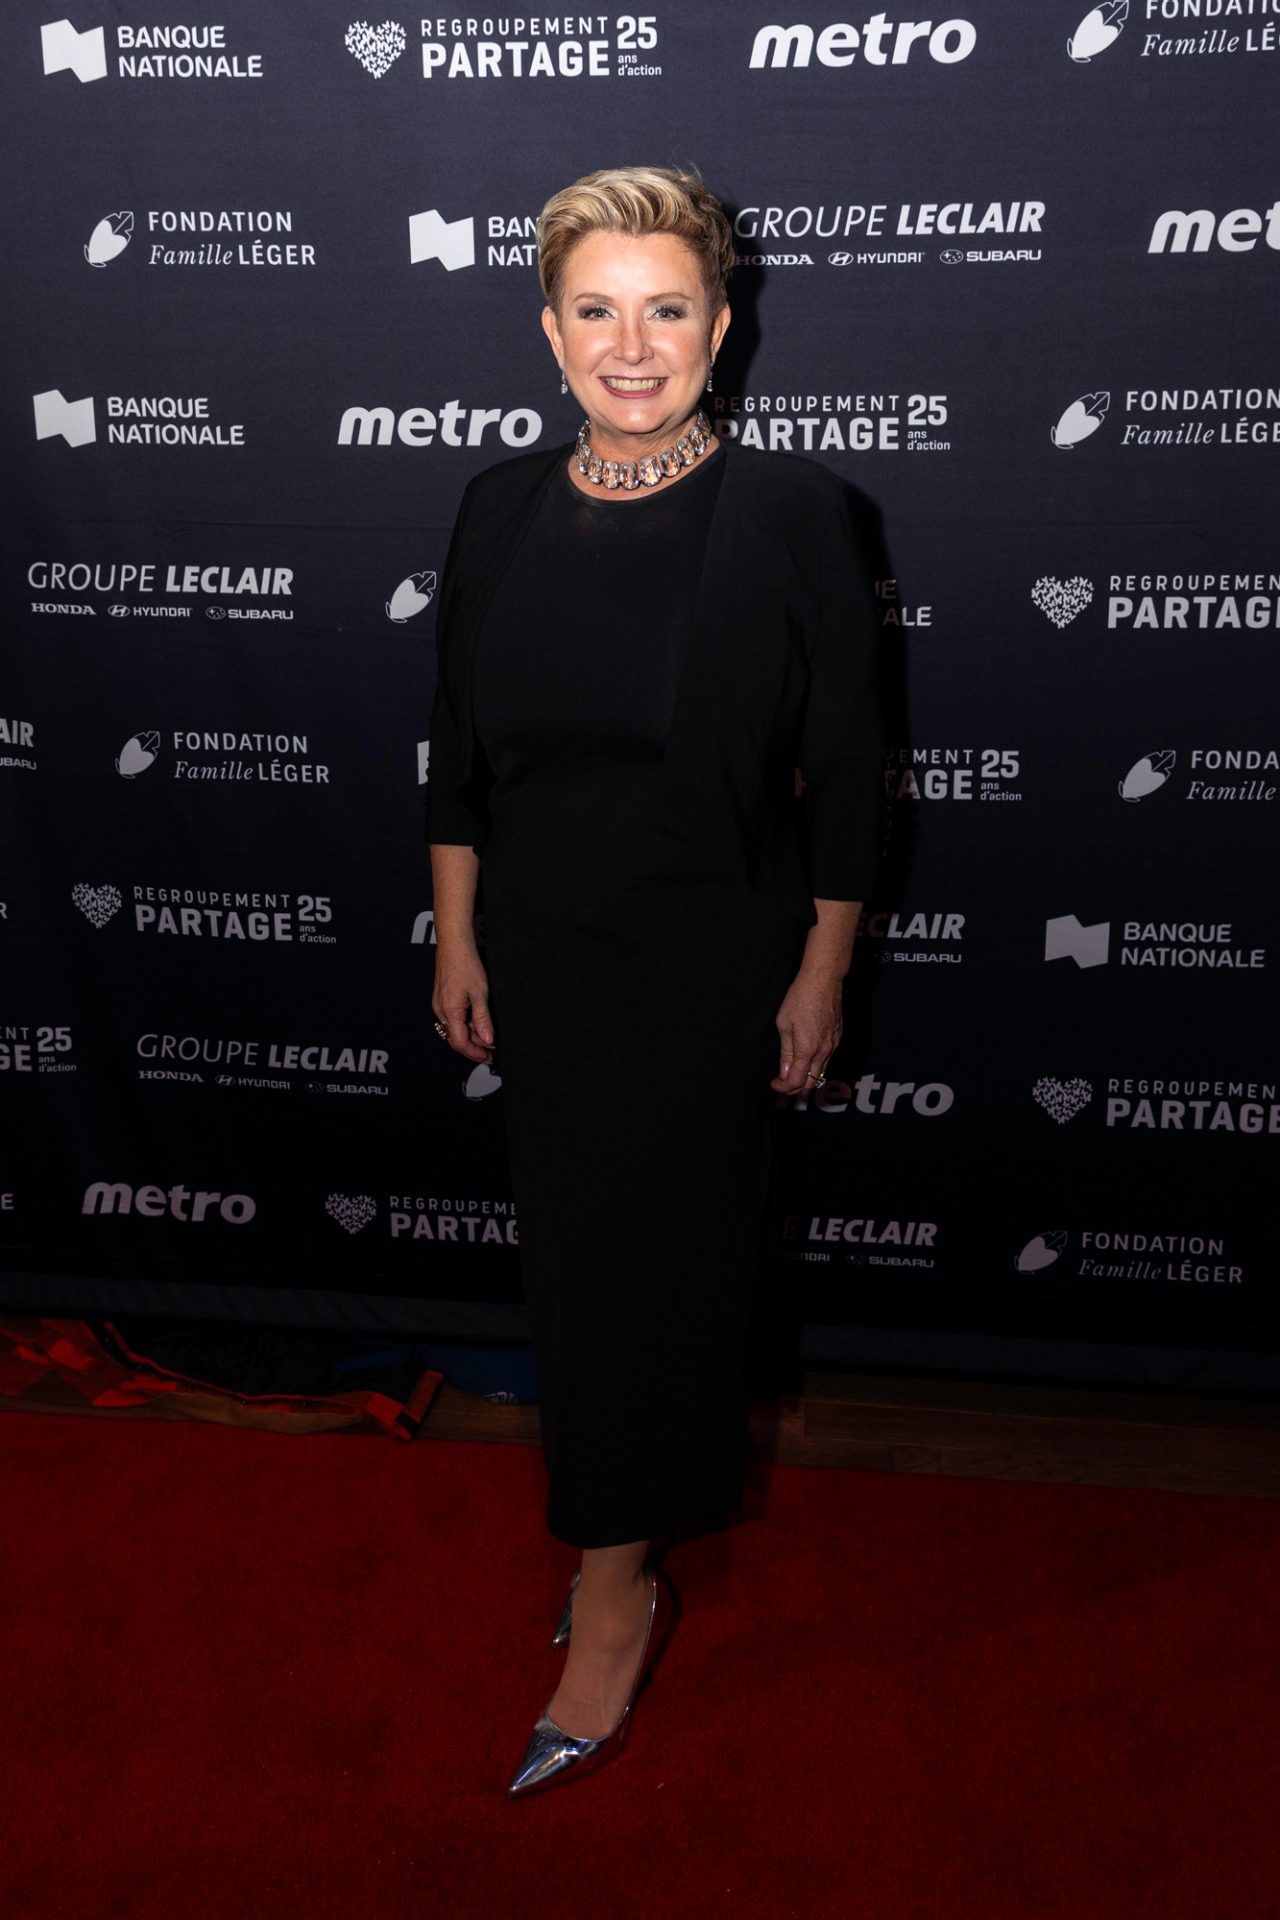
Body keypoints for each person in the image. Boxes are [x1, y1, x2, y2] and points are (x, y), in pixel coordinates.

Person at [425, 165, 885, 1799]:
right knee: (575, 1273)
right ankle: (611, 1544)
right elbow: (456, 752)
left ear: (722, 325)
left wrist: (821, 970)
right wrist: (458, 933)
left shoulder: (795, 513)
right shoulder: (494, 505)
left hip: (709, 971)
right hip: (545, 962)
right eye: (598, 312)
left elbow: (851, 770)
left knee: (663, 1282)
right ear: (550, 333)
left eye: (667, 309)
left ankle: (615, 1589)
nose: (633, 346)